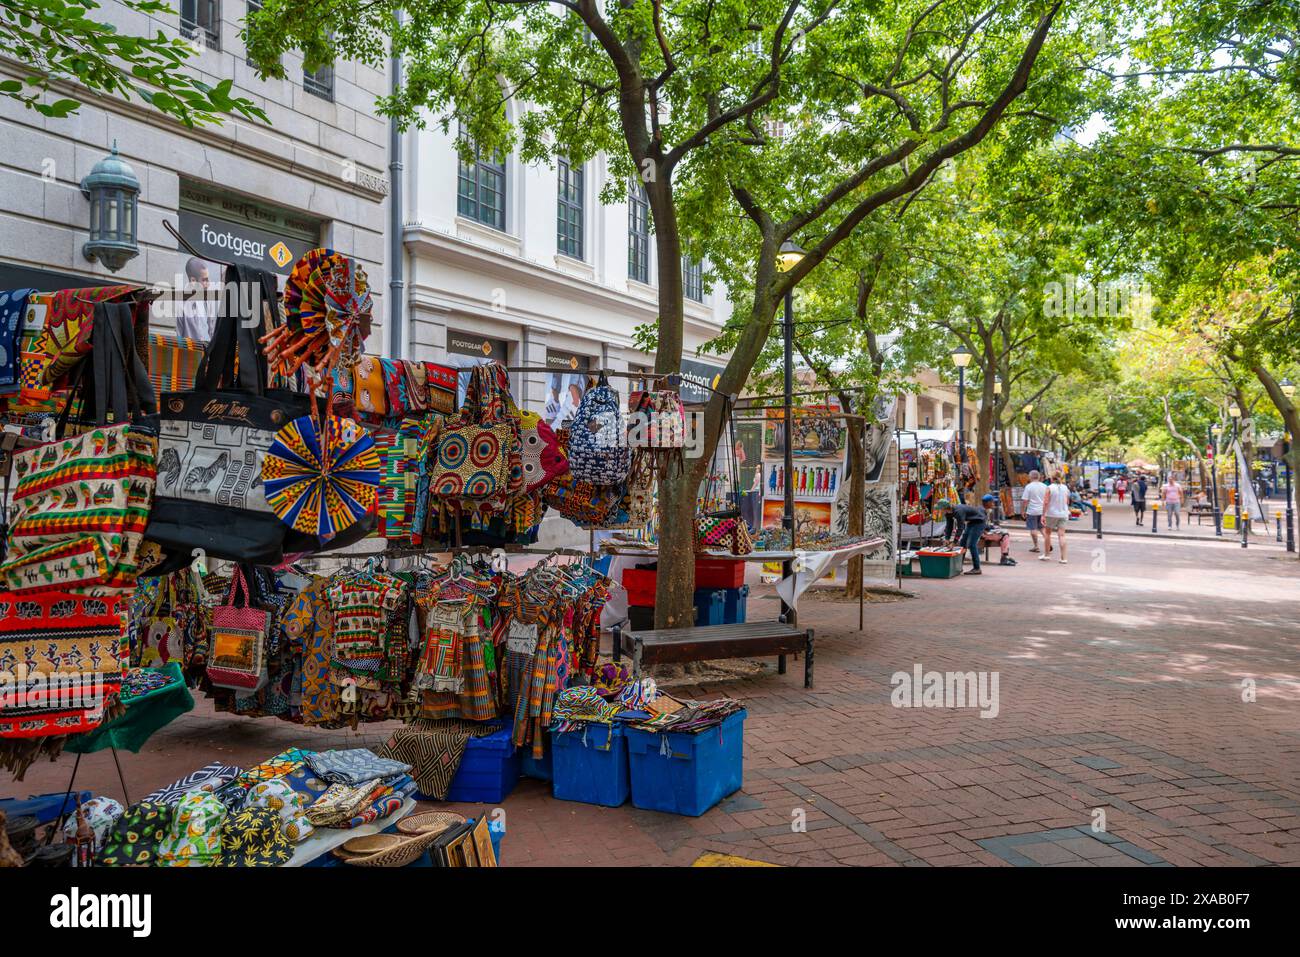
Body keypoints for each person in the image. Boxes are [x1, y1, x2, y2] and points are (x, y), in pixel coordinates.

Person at [943, 492, 989, 575]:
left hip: (979, 522)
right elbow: (949, 527)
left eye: (942, 509)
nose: (941, 511)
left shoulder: (958, 511)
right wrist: (947, 538)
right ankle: (958, 567)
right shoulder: (948, 513)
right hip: (971, 522)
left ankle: (977, 568)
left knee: (971, 544)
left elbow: (960, 528)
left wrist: (953, 543)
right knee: (963, 544)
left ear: (947, 508)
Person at [177, 257, 216, 342]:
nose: (208, 284)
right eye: (205, 280)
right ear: (193, 280)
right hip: (189, 353)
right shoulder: (180, 304)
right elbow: (178, 337)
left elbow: (211, 332)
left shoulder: (208, 302)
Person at [1040, 472, 1070, 564]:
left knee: (1048, 534)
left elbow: (1045, 502)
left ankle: (1047, 555)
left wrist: (1043, 514)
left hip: (1051, 514)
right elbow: (1067, 501)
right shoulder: (1065, 488)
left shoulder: (1049, 488)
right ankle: (1064, 558)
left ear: (1052, 479)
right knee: (1062, 535)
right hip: (1063, 514)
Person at [1022, 469, 1049, 555]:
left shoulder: (1029, 487)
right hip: (1042, 511)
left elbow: (1025, 501)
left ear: (1030, 477)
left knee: (1033, 529)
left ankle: (1036, 546)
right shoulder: (1044, 486)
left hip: (1032, 511)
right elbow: (1047, 500)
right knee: (1042, 528)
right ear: (1039, 477)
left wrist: (1023, 511)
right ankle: (1048, 543)